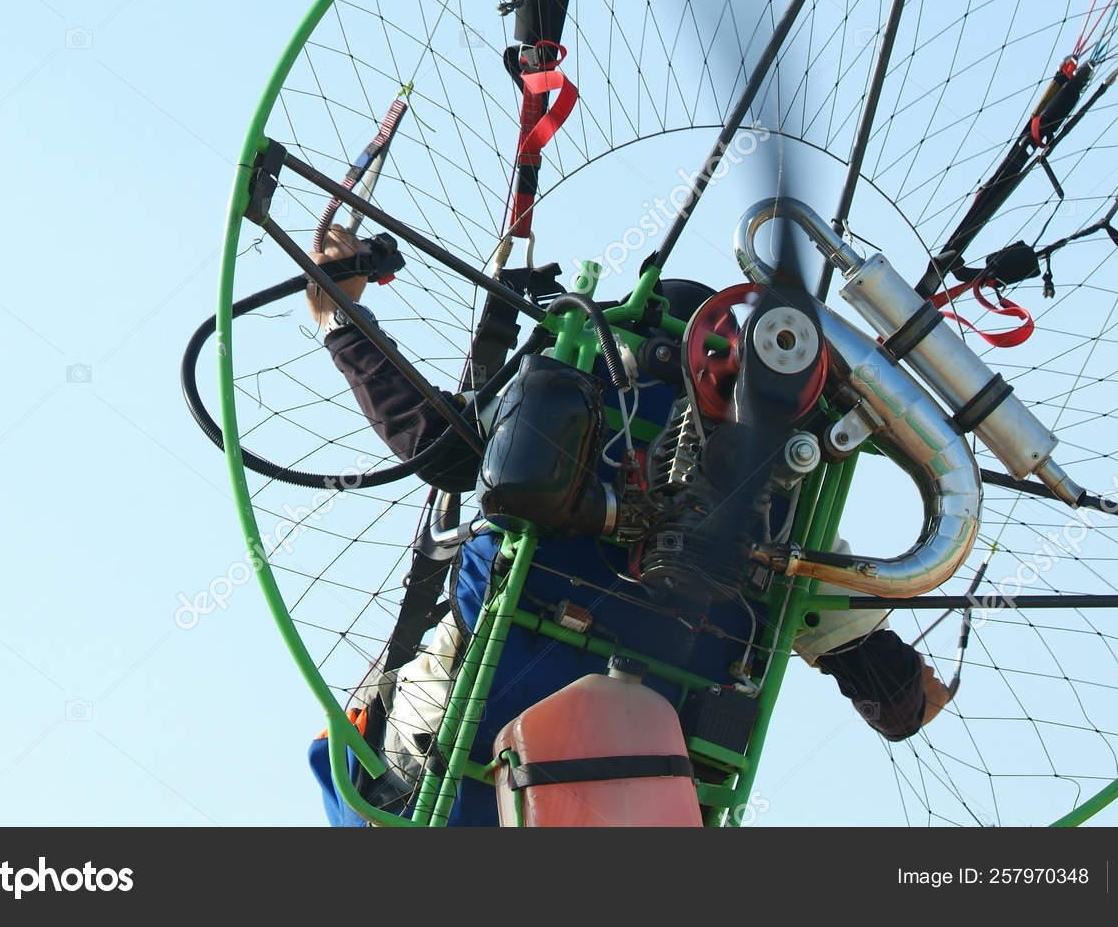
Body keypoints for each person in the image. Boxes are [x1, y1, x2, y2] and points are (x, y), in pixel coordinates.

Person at [306, 229, 950, 826]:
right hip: (630, 795)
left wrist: (341, 322)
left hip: (447, 783)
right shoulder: (788, 509)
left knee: (341, 751)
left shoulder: (564, 408)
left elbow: (436, 445)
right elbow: (896, 702)